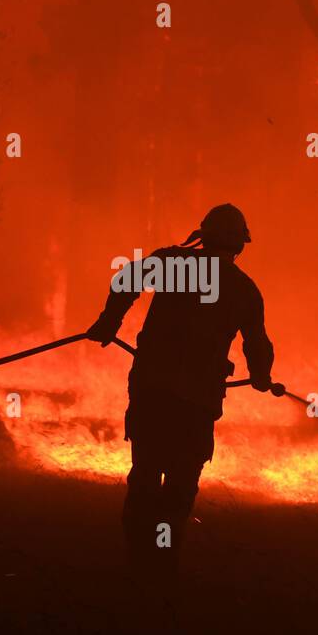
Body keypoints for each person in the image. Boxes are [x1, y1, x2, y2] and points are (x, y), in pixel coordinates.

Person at [86, 204, 276, 578]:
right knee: (180, 482)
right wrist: (261, 376)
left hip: (152, 391)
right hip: (197, 402)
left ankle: (137, 561)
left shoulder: (174, 264)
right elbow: (257, 343)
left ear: (202, 236)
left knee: (145, 471)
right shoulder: (243, 290)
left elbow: (127, 281)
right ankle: (163, 562)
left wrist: (108, 321)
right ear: (239, 245)